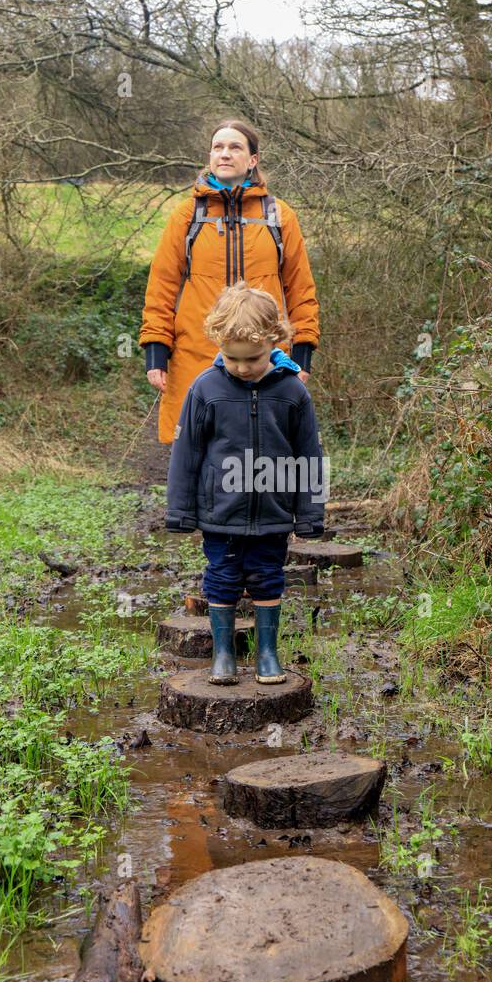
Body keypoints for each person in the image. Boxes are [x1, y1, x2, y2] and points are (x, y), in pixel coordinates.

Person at [166, 282, 326, 685]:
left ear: (275, 341)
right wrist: (181, 511)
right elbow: (187, 452)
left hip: (273, 513)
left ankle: (267, 654)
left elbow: (310, 453)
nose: (241, 367)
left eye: (252, 358)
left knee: (268, 575)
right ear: (219, 345)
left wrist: (309, 513)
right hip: (221, 512)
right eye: (231, 358)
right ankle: (223, 655)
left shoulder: (292, 391)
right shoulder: (205, 388)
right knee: (221, 576)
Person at [140, 119, 320, 445]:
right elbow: (161, 288)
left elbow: (301, 290)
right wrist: (156, 354)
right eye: (218, 147)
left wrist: (302, 355)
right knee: (196, 450)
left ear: (252, 160)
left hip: (266, 359)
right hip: (196, 355)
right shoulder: (187, 216)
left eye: (235, 147)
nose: (224, 154)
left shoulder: (279, 217)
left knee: (265, 446)